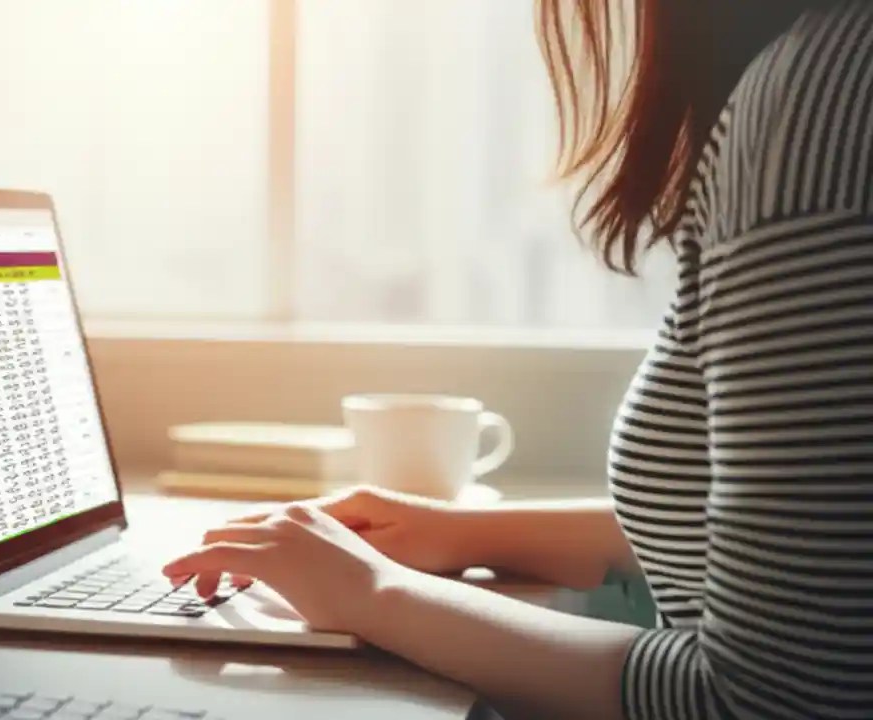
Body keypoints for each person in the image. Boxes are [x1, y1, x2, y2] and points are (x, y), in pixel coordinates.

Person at [163, 1, 873, 718]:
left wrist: (374, 592)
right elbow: (813, 540)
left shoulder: (820, 107)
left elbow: (770, 701)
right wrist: (459, 532)